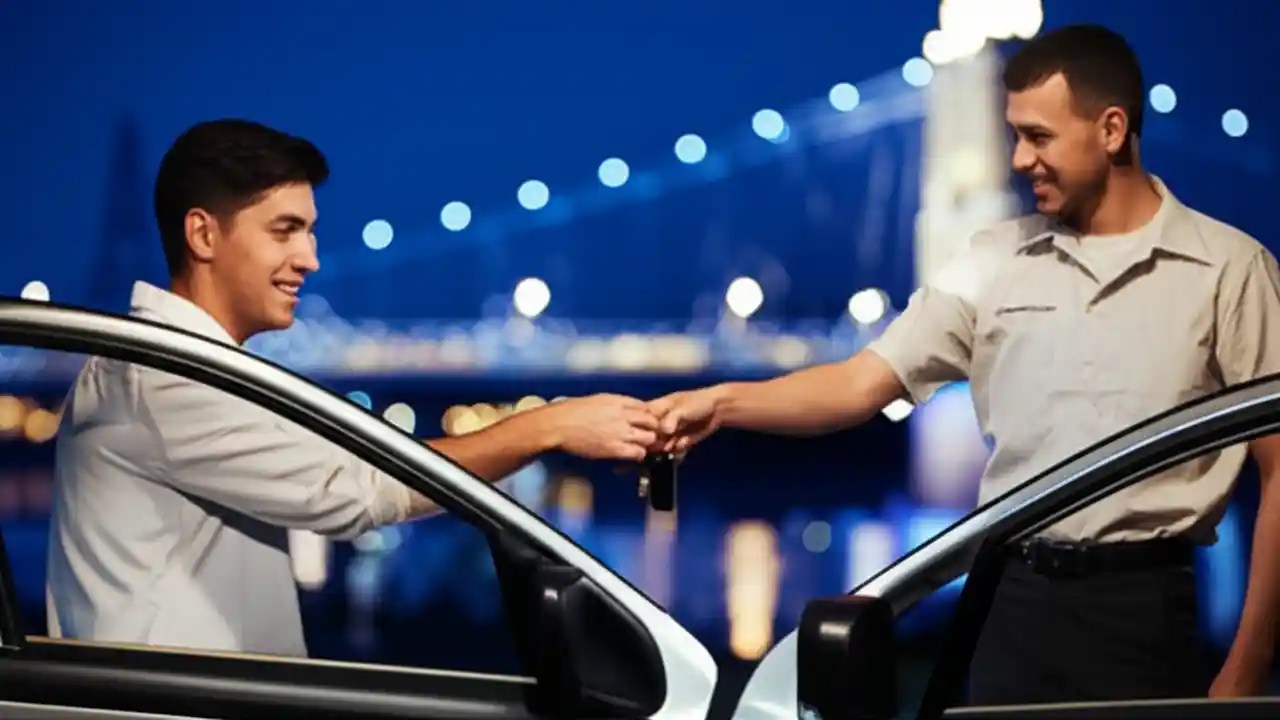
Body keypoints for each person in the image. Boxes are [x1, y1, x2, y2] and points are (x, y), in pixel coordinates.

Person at [649, 24, 1280, 704]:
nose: (1016, 159)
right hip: (1009, 605)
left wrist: (1244, 670)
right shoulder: (991, 262)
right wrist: (720, 403)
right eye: (1012, 135)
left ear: (1112, 129)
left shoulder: (1229, 271)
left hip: (1148, 611)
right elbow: (859, 383)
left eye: (1038, 136)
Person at [46, 119, 661, 657]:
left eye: (310, 232)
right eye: (284, 231)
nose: (310, 257)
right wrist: (549, 426)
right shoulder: (164, 381)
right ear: (203, 236)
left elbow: (347, 466)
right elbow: (358, 493)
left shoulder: (190, 369)